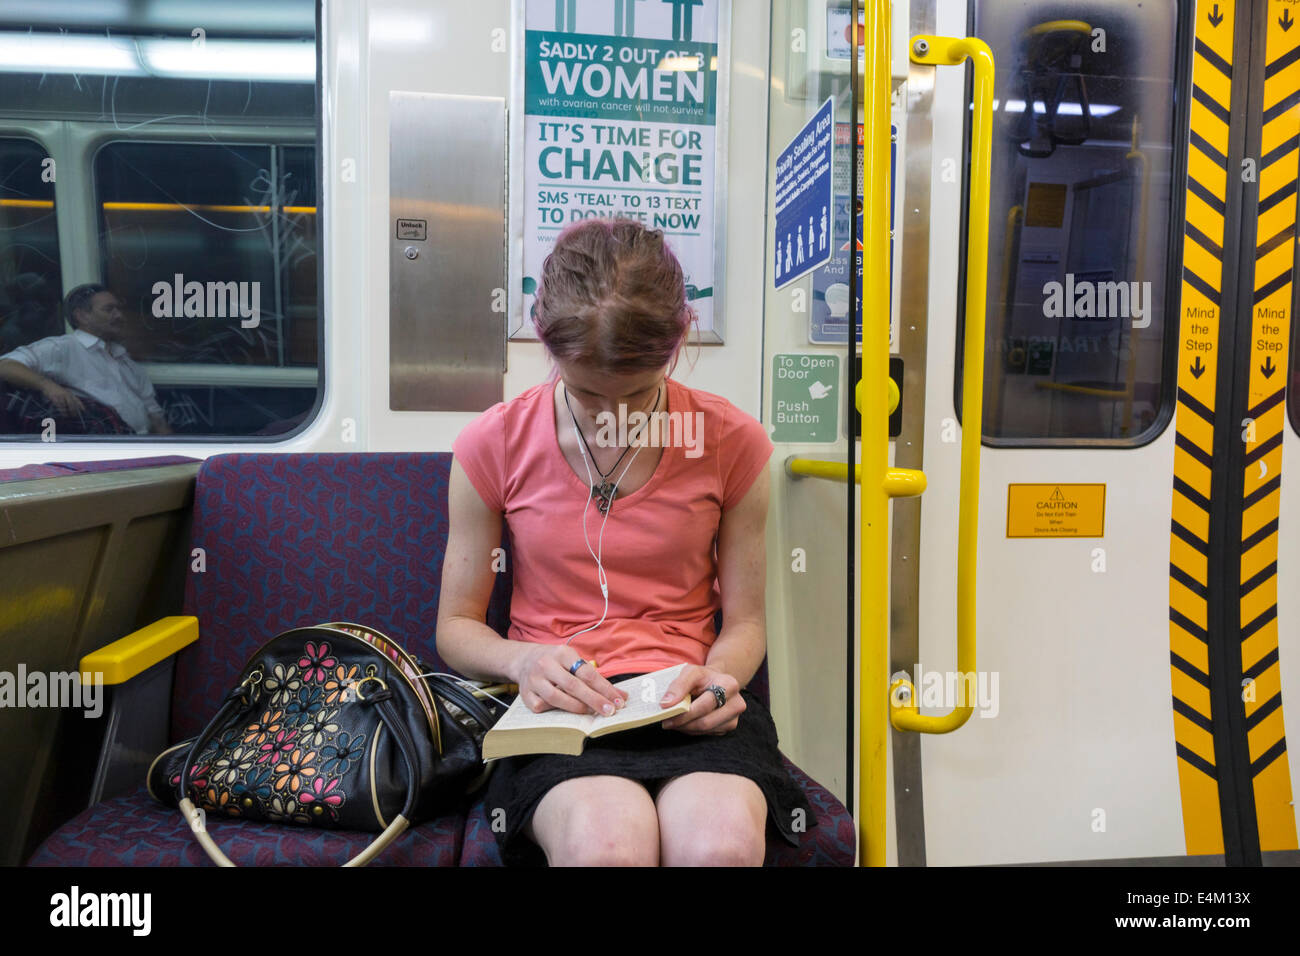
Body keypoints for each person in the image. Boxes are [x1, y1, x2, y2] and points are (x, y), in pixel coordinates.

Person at [438, 218, 813, 866]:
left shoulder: (732, 443)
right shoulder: (491, 444)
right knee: (607, 845)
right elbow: (457, 626)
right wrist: (521, 662)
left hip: (689, 694)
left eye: (637, 393)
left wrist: (721, 681)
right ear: (543, 338)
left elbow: (746, 621)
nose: (610, 414)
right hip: (558, 702)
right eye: (585, 392)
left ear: (679, 340)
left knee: (719, 845)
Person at [0, 283, 172, 435]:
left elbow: (156, 420)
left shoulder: (126, 362)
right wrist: (48, 386)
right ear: (82, 316)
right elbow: (5, 365)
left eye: (118, 309)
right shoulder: (64, 347)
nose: (119, 315)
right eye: (109, 309)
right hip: (98, 451)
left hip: (142, 447)